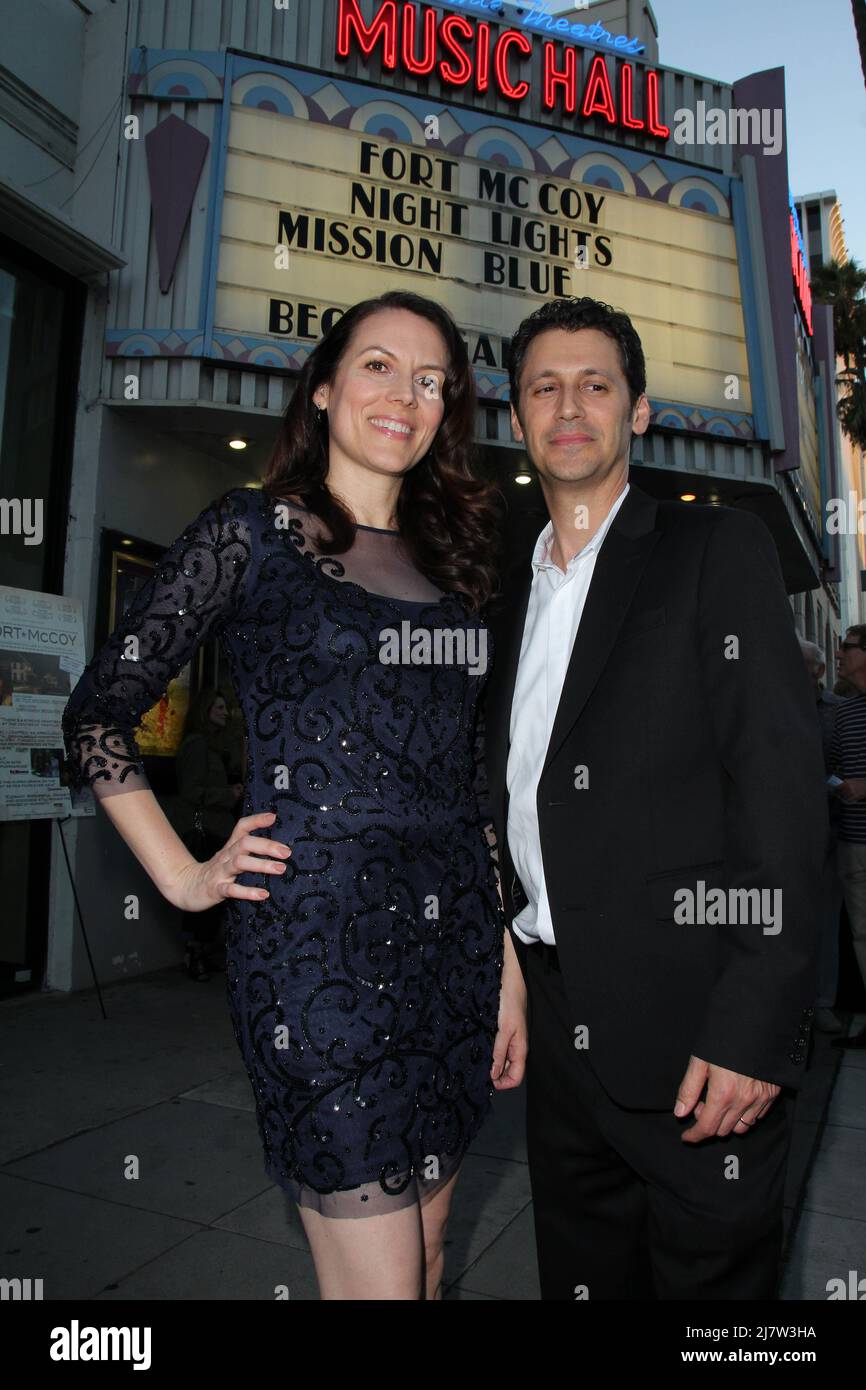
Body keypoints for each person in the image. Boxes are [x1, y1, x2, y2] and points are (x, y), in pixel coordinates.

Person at [61, 289, 527, 1300]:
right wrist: (182, 875)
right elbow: (98, 712)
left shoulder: (455, 569)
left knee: (435, 1255)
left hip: (452, 954)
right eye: (376, 365)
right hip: (317, 959)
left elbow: (462, 783)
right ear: (322, 388)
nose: (403, 392)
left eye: (430, 378)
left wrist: (506, 964)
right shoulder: (250, 533)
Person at [481, 295, 828, 1300]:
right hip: (556, 1031)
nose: (569, 405)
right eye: (544, 386)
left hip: (695, 1037)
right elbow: (503, 800)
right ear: (516, 418)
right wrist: (503, 953)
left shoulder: (711, 551)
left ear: (638, 410)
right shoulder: (504, 596)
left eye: (596, 383)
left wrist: (753, 1031)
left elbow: (777, 799)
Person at [169, 686, 244, 981]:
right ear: (205, 711)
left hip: (216, 829)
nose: (225, 713)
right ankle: (195, 953)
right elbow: (191, 790)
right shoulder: (198, 745)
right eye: (218, 708)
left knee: (214, 899)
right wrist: (227, 794)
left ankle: (202, 952)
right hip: (203, 830)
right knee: (204, 896)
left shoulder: (216, 745)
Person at [829, 625, 866, 1048]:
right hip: (853, 841)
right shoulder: (847, 711)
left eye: (849, 647)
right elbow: (833, 762)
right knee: (861, 933)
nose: (840, 654)